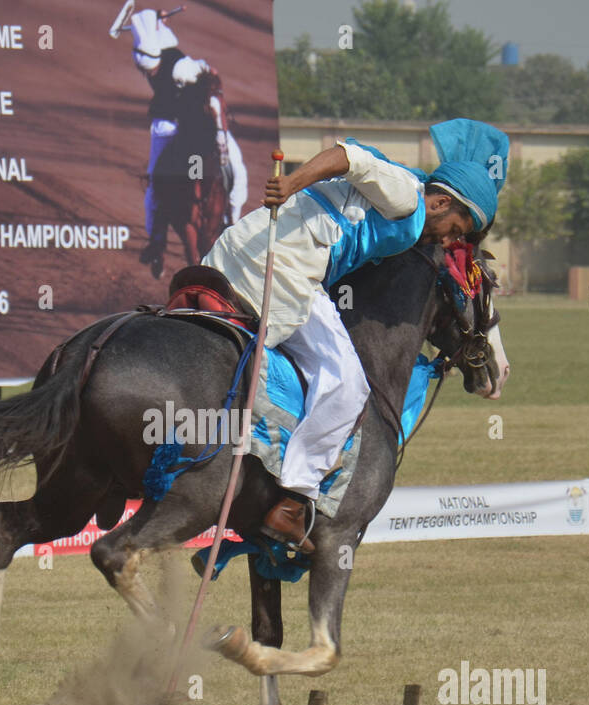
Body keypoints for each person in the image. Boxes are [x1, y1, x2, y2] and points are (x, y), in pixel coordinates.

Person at [202, 118, 509, 552]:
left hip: (230, 253)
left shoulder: (402, 206)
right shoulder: (408, 198)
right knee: (347, 386)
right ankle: (291, 502)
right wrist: (291, 183)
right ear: (441, 203)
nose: (448, 240)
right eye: (456, 230)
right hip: (284, 272)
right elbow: (347, 156)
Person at [121, 6, 248, 275]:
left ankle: (233, 221)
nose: (151, 75)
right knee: (155, 182)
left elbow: (211, 83)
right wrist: (159, 21)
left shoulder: (182, 68)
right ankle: (157, 242)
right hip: (166, 127)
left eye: (151, 70)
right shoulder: (159, 48)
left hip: (200, 125)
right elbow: (161, 36)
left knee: (236, 166)